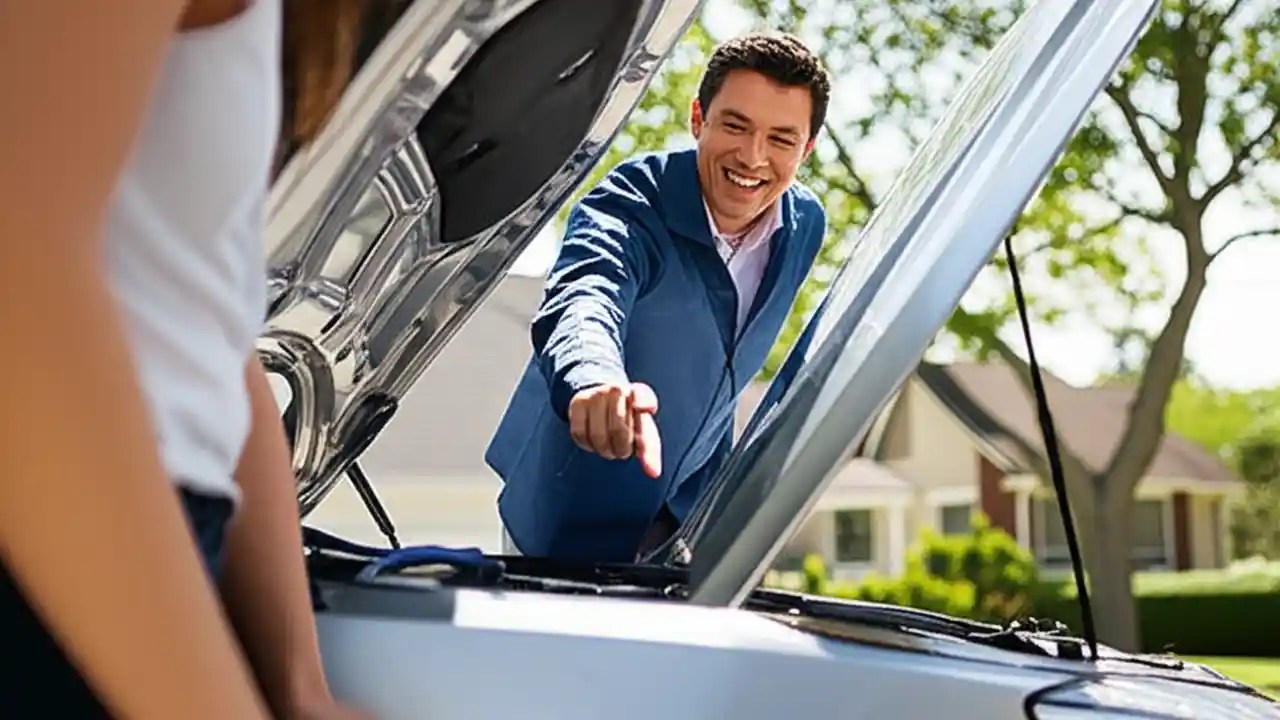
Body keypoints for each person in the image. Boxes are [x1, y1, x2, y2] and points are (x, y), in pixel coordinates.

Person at [0, 1, 368, 717]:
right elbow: (20, 277)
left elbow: (211, 322)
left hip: (121, 550)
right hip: (67, 555)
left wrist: (298, 686)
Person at [486, 32, 832, 563]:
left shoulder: (804, 225)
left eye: (781, 139)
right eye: (735, 126)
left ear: (806, 150)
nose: (753, 157)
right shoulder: (630, 202)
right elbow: (585, 296)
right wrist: (593, 376)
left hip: (685, 527)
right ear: (698, 119)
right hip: (567, 514)